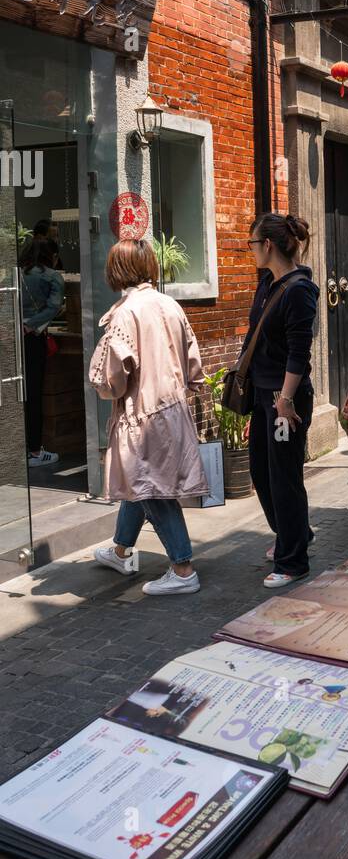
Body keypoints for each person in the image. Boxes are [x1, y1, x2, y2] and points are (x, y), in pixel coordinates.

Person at [89, 239, 207, 596]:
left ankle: (183, 568)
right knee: (140, 481)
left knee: (152, 488)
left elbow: (112, 378)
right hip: (171, 408)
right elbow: (193, 362)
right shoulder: (169, 304)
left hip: (144, 414)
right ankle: (121, 549)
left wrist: (103, 384)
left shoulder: (127, 312)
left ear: (117, 270)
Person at [244, 213, 319, 588]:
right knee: (261, 470)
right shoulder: (269, 285)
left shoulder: (298, 290)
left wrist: (285, 400)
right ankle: (294, 533)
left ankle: (293, 561)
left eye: (252, 244)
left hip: (283, 397)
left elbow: (298, 353)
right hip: (263, 396)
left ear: (268, 245)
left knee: (284, 476)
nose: (251, 251)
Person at [20, 238, 65, 467]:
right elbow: (55, 306)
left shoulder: (15, 274)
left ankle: (18, 446)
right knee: (34, 394)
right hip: (34, 337)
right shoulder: (52, 276)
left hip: (12, 337)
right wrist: (32, 324)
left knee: (15, 393)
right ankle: (35, 451)